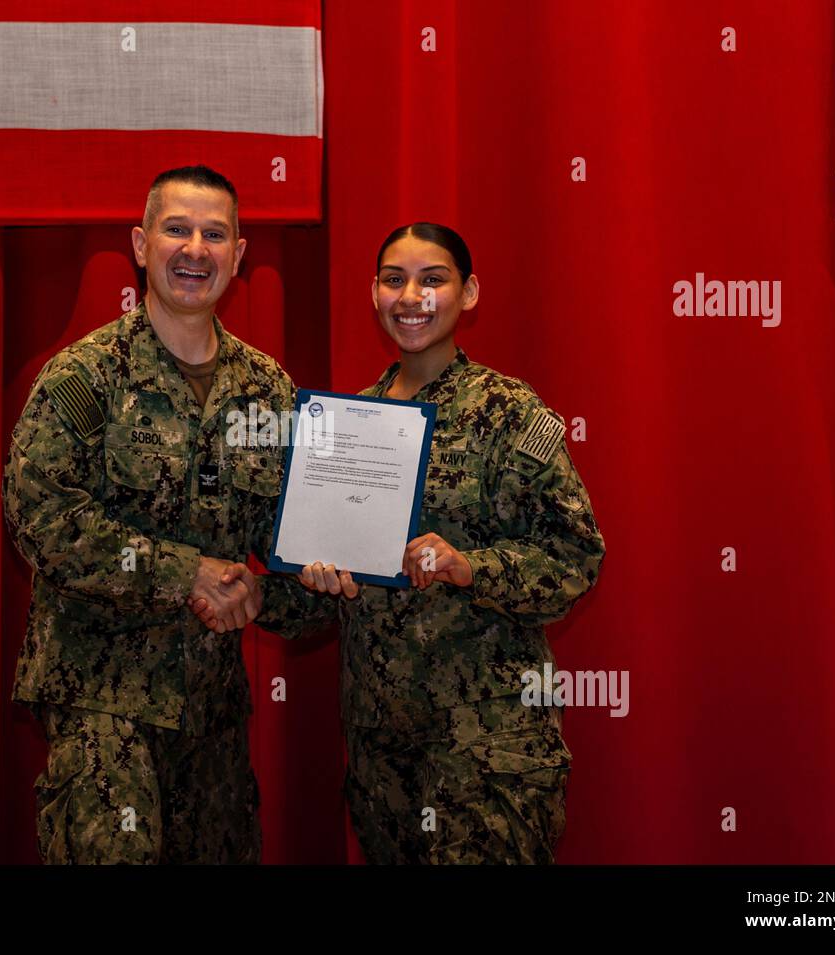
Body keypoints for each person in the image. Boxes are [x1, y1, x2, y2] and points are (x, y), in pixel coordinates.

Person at [195, 222, 606, 864]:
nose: (411, 295)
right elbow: (326, 592)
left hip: (485, 740)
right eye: (394, 280)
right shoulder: (349, 421)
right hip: (383, 745)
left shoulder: (509, 413)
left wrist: (472, 566)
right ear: (374, 293)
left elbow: (576, 558)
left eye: (433, 279)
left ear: (468, 294)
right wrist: (273, 590)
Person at [3, 165, 307, 864]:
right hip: (104, 709)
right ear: (141, 245)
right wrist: (185, 573)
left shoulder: (268, 390)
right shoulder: (84, 378)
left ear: (239, 253)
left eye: (214, 233)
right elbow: (41, 518)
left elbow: (291, 536)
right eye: (176, 229)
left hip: (214, 718)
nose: (194, 249)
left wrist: (276, 591)